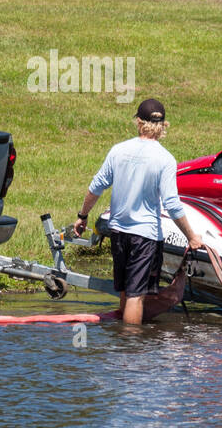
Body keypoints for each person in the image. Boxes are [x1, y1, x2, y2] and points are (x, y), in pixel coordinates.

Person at [73, 99, 204, 325]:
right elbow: (172, 203)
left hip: (119, 233)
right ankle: (132, 348)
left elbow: (96, 187)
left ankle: (122, 348)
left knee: (125, 291)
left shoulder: (118, 151)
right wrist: (192, 237)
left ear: (138, 122)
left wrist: (83, 216)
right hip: (145, 236)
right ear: (163, 125)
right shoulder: (165, 159)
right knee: (136, 295)